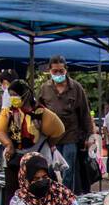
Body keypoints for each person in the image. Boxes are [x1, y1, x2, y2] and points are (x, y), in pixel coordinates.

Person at [0, 79, 65, 205]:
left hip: (39, 157)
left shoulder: (42, 113)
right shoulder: (8, 112)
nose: (13, 98)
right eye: (11, 95)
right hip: (14, 157)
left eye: (16, 94)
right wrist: (8, 144)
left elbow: (58, 131)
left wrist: (50, 144)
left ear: (26, 94)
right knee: (13, 190)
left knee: (41, 189)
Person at [38, 55, 93, 192]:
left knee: (68, 172)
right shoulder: (45, 89)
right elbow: (38, 112)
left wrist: (89, 137)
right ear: (49, 71)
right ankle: (51, 197)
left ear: (66, 70)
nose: (58, 74)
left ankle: (66, 199)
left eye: (61, 71)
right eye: (55, 71)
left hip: (70, 137)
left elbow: (85, 114)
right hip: (51, 139)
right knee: (50, 170)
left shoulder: (76, 88)